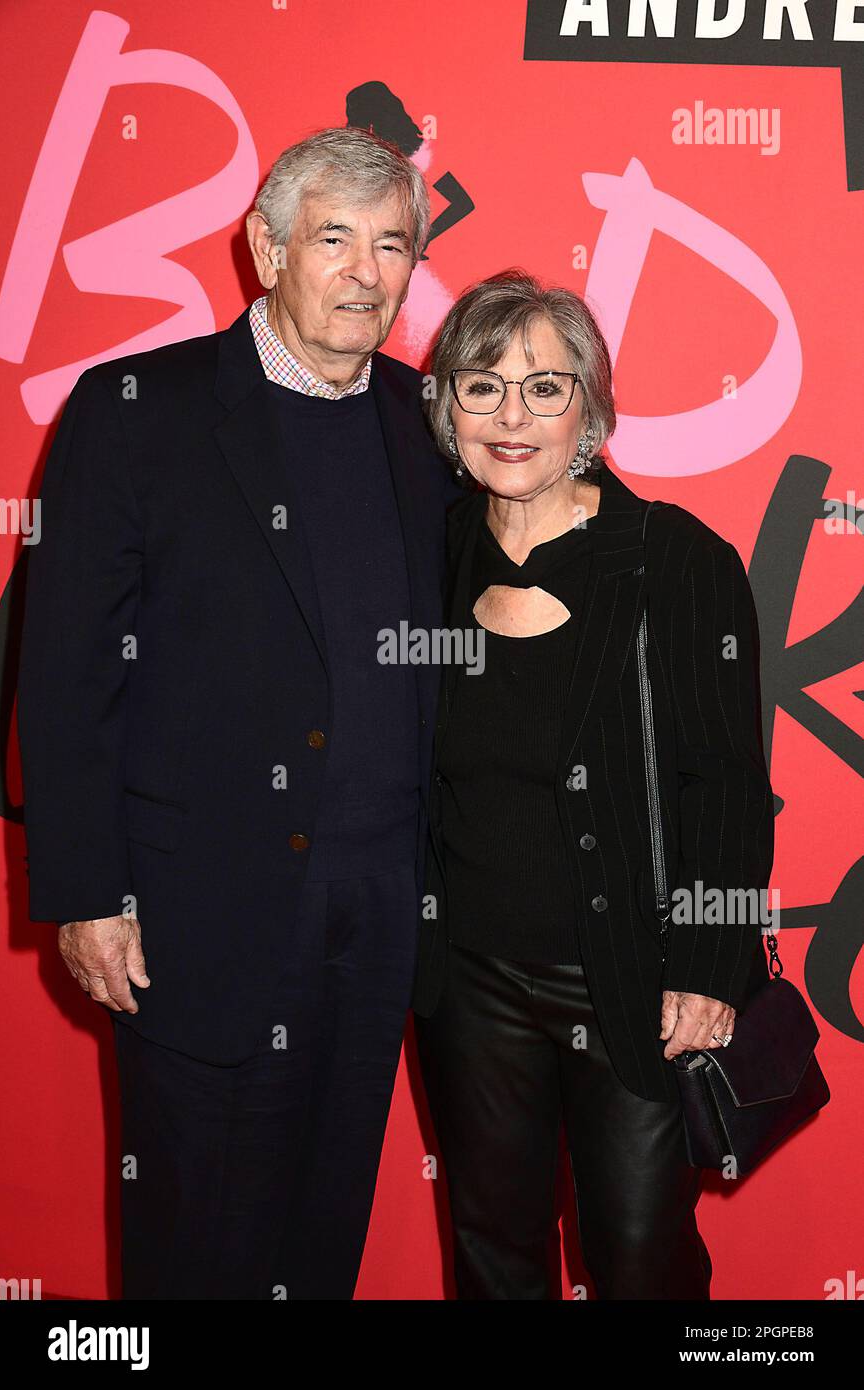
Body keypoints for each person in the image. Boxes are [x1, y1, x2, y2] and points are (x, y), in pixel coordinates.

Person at [17, 125, 460, 1300]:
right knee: (194, 1242)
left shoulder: (430, 426)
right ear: (264, 247)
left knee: (324, 1235)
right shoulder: (133, 409)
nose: (367, 271)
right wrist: (83, 890)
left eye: (393, 244)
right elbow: (59, 667)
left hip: (378, 918)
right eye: (334, 238)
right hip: (194, 912)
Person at [412, 269, 775, 1300]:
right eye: (480, 386)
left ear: (589, 407)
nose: (511, 416)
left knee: (638, 1256)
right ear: (446, 409)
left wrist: (707, 965)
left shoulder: (673, 559)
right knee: (492, 1248)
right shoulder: (433, 552)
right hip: (469, 983)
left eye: (544, 386)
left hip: (630, 978)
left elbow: (728, 783)